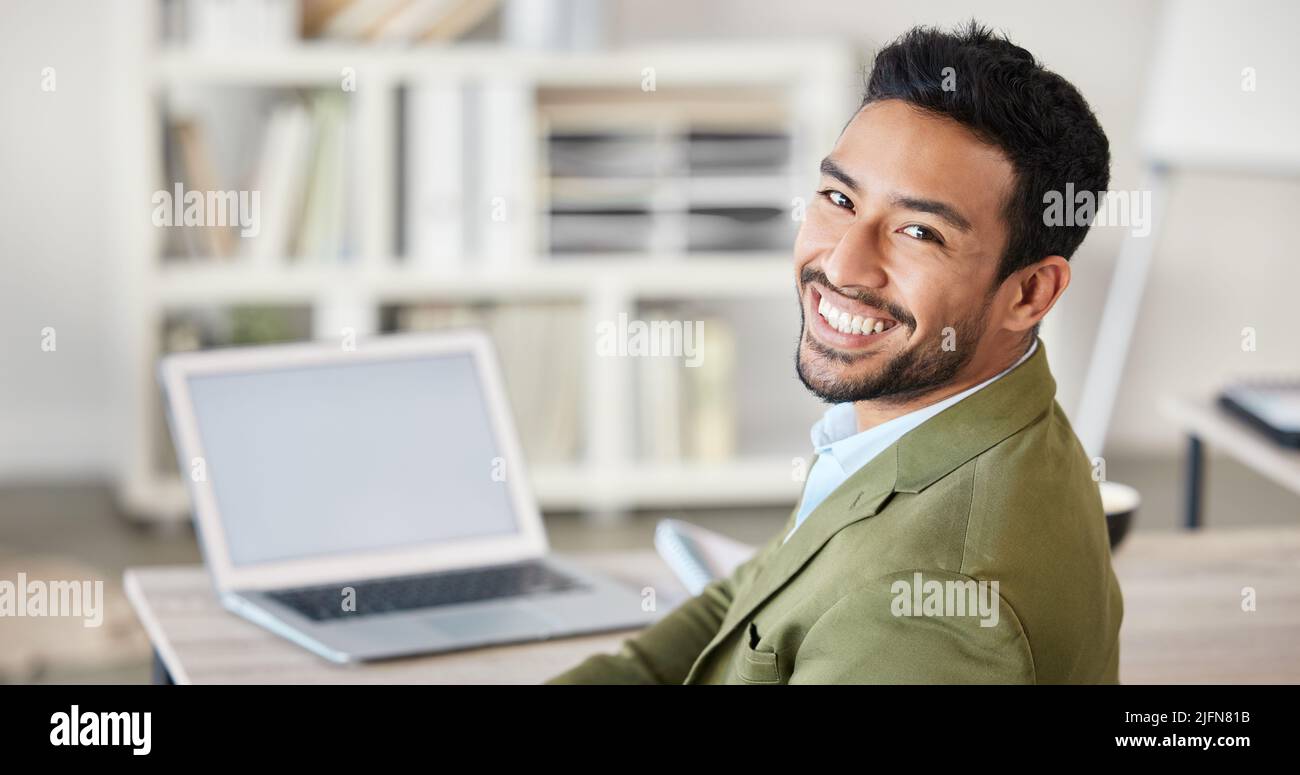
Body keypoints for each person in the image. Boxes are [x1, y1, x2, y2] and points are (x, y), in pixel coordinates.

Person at [548, 20, 1122, 684]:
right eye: (839, 198)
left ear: (1029, 292)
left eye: (918, 231)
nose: (844, 263)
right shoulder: (928, 424)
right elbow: (747, 605)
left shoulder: (933, 610)